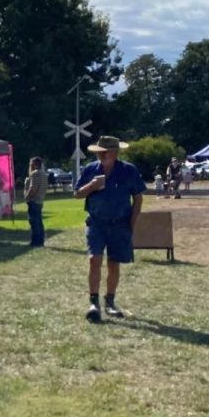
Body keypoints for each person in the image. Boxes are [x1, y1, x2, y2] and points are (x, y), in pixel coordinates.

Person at [74, 136, 145, 324]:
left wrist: (132, 223)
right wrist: (91, 186)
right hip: (96, 223)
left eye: (106, 151)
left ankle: (110, 302)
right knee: (94, 259)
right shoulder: (90, 170)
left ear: (116, 153)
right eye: (100, 152)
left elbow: (138, 198)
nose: (102, 155)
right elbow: (77, 194)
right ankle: (93, 303)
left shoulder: (129, 170)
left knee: (114, 264)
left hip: (120, 224)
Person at [24, 157, 48, 247]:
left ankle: (35, 241)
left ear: (34, 164)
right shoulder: (44, 174)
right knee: (39, 221)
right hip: (40, 200)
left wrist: (27, 197)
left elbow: (32, 188)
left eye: (31, 164)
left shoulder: (35, 174)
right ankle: (40, 241)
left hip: (33, 200)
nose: (30, 166)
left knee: (34, 222)